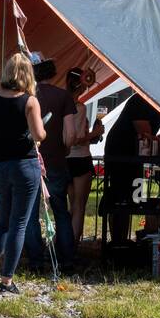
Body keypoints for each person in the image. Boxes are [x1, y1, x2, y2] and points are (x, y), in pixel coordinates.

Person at [0, 53, 46, 294]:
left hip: (1, 165)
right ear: (28, 75)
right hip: (25, 165)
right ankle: (6, 281)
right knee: (19, 224)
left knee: (3, 223)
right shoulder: (30, 101)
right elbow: (38, 135)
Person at [23, 58, 77, 272]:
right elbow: (71, 134)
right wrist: (64, 149)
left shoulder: (25, 96)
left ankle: (36, 262)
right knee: (61, 212)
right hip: (55, 161)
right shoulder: (63, 96)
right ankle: (67, 261)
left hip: (29, 160)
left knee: (30, 214)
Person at [101, 92, 160, 243]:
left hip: (133, 154)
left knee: (129, 198)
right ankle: (117, 241)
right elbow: (145, 134)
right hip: (121, 153)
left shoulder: (158, 101)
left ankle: (121, 240)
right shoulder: (141, 100)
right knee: (120, 199)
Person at [64, 67, 104, 252]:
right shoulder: (78, 107)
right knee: (79, 206)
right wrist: (95, 133)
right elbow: (78, 138)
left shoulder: (60, 103)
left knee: (71, 205)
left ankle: (64, 242)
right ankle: (73, 247)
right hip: (80, 158)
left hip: (65, 159)